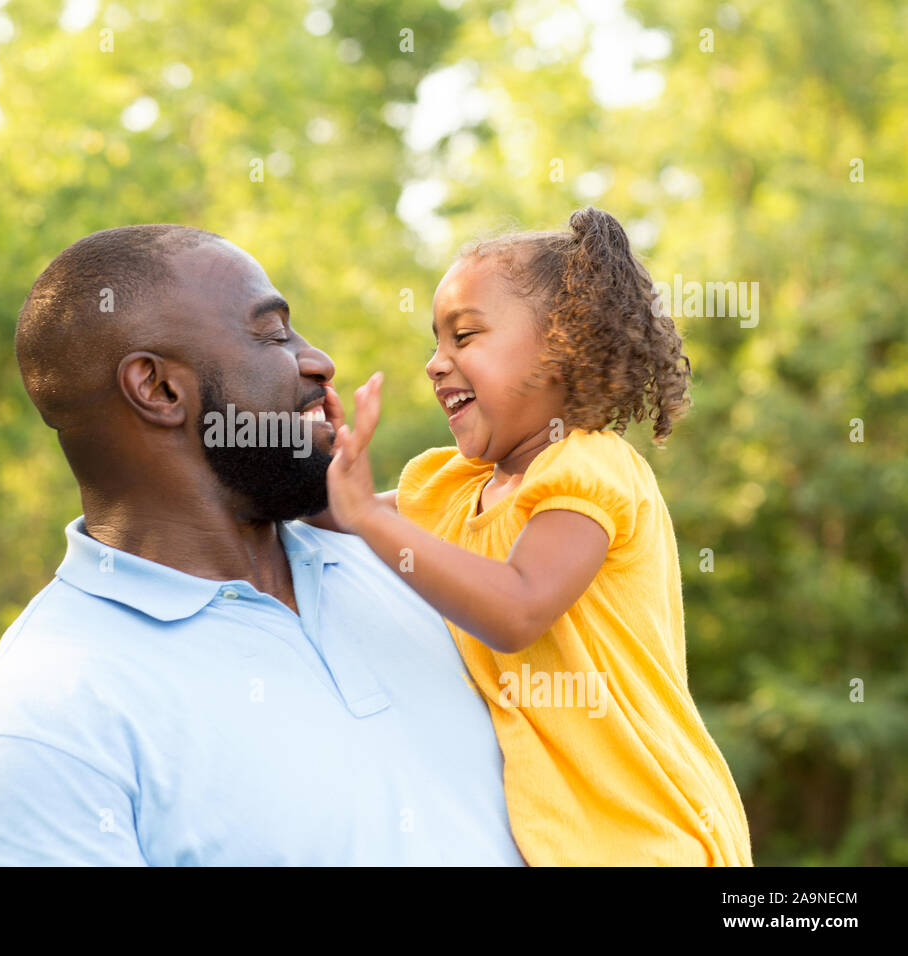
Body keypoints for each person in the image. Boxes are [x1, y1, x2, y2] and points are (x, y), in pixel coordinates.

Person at [0, 224, 526, 865]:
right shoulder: (38, 728)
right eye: (273, 334)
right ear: (157, 389)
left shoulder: (419, 572)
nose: (319, 362)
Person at [319, 207, 753, 865]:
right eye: (434, 343)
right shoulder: (453, 487)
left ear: (563, 345)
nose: (436, 364)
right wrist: (321, 454)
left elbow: (517, 607)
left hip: (654, 833)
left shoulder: (588, 467)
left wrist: (369, 516)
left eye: (464, 336)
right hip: (561, 843)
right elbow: (333, 513)